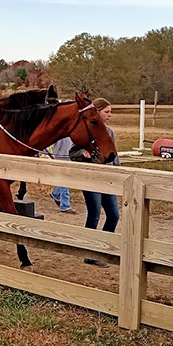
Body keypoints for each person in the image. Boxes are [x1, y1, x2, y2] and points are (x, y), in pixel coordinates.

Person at [70, 98, 121, 266]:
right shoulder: (85, 132)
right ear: (97, 112)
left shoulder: (110, 132)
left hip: (108, 180)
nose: (110, 115)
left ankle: (103, 250)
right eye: (106, 112)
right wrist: (82, 154)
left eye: (110, 112)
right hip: (90, 179)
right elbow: (73, 153)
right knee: (94, 214)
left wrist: (119, 174)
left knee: (114, 215)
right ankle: (89, 252)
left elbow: (114, 157)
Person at [49, 136, 75, 214]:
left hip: (70, 157)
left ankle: (56, 193)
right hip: (61, 157)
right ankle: (65, 205)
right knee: (65, 181)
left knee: (68, 180)